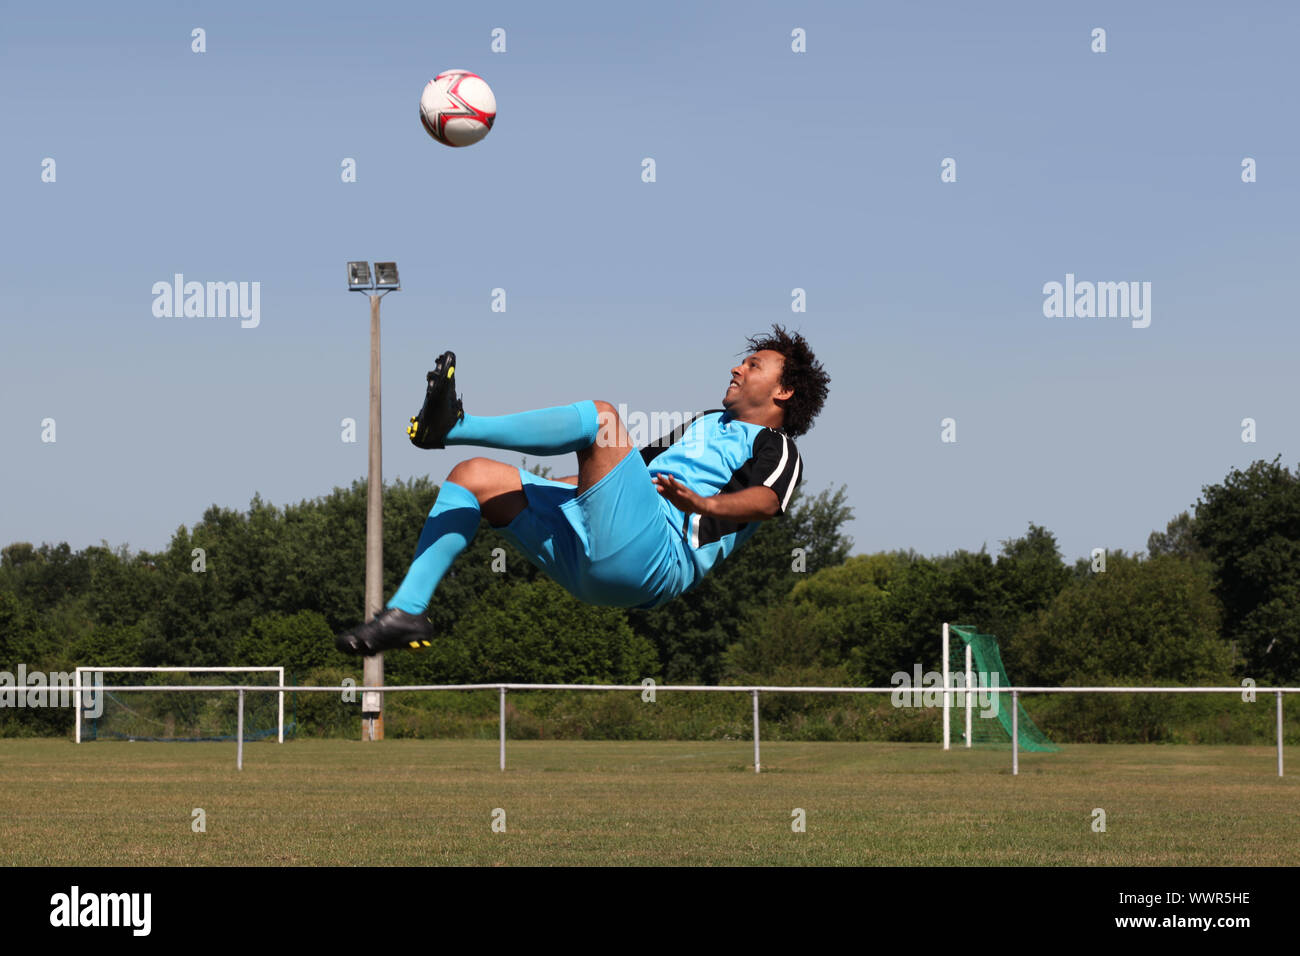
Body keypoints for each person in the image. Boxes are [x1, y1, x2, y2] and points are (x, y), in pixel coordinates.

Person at [335, 324, 829, 654]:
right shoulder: (704, 423)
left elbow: (767, 501)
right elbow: (623, 471)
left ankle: (453, 425)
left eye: (754, 364)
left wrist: (704, 503)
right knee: (476, 476)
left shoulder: (776, 445)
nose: (737, 368)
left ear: (782, 393)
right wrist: (541, 490)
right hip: (597, 559)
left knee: (603, 418)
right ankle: (408, 613)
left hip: (660, 559)